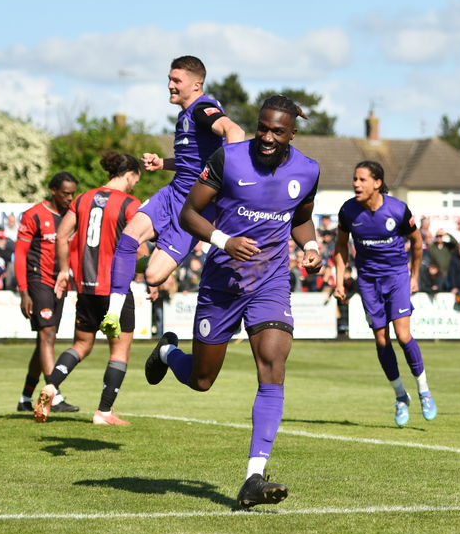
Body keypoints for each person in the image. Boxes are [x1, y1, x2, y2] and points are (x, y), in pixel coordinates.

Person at [143, 96, 321, 508]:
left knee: (273, 364)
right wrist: (225, 240)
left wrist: (311, 246)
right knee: (203, 380)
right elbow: (190, 213)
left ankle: (254, 477)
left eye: (278, 131)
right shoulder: (229, 159)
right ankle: (168, 353)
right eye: (262, 127)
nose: (267, 137)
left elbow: (300, 217)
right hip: (222, 281)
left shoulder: (308, 169)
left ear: (292, 134)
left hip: (270, 281)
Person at [100, 55, 245, 339]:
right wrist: (163, 163)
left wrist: (233, 179)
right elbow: (195, 161)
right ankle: (113, 314)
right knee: (128, 237)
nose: (170, 85)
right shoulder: (186, 115)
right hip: (172, 194)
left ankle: (141, 265)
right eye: (169, 79)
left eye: (176, 80)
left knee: (153, 276)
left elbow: (234, 130)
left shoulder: (203, 108)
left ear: (196, 84)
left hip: (195, 208)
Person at [33, 153, 143, 425]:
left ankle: (51, 385)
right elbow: (139, 247)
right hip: (114, 288)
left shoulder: (83, 198)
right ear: (129, 175)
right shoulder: (130, 203)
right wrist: (152, 273)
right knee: (119, 351)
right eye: (135, 180)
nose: (134, 186)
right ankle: (104, 412)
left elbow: (62, 235)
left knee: (81, 344)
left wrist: (62, 271)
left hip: (85, 287)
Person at [333, 160, 435, 427]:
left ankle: (423, 390)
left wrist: (414, 276)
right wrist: (340, 281)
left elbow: (417, 241)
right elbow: (341, 246)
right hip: (368, 281)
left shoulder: (398, 210)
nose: (356, 183)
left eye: (362, 179)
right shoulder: (348, 211)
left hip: (397, 277)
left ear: (377, 183)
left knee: (403, 335)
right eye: (355, 178)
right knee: (381, 341)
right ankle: (401, 396)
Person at [13, 172, 79, 413]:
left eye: (73, 194)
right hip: (38, 279)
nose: (70, 198)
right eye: (65, 194)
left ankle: (24, 397)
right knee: (48, 334)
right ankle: (54, 395)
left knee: (44, 340)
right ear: (53, 191)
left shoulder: (72, 217)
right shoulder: (34, 215)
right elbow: (19, 254)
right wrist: (23, 292)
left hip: (60, 283)